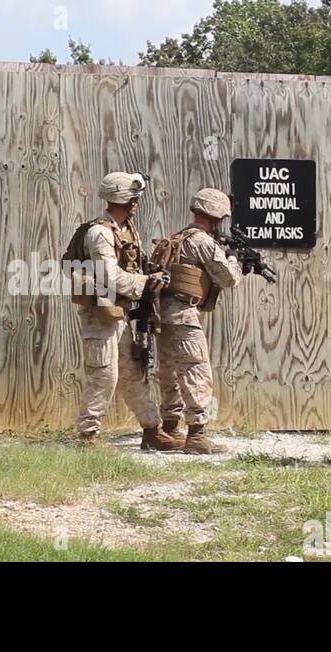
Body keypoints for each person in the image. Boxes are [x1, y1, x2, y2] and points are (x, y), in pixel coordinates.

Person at [69, 172, 174, 449]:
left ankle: (152, 430)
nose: (137, 202)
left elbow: (131, 266)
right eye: (132, 197)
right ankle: (88, 437)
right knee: (103, 375)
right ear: (119, 197)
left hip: (122, 312)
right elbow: (109, 276)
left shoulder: (126, 229)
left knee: (133, 373)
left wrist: (150, 273)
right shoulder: (100, 233)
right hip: (101, 315)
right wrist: (145, 283)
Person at [154, 189, 243, 455]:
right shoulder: (202, 242)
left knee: (169, 372)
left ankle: (170, 429)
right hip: (184, 316)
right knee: (196, 370)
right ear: (216, 217)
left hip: (163, 316)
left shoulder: (175, 238)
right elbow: (227, 278)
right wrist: (235, 261)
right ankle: (197, 436)